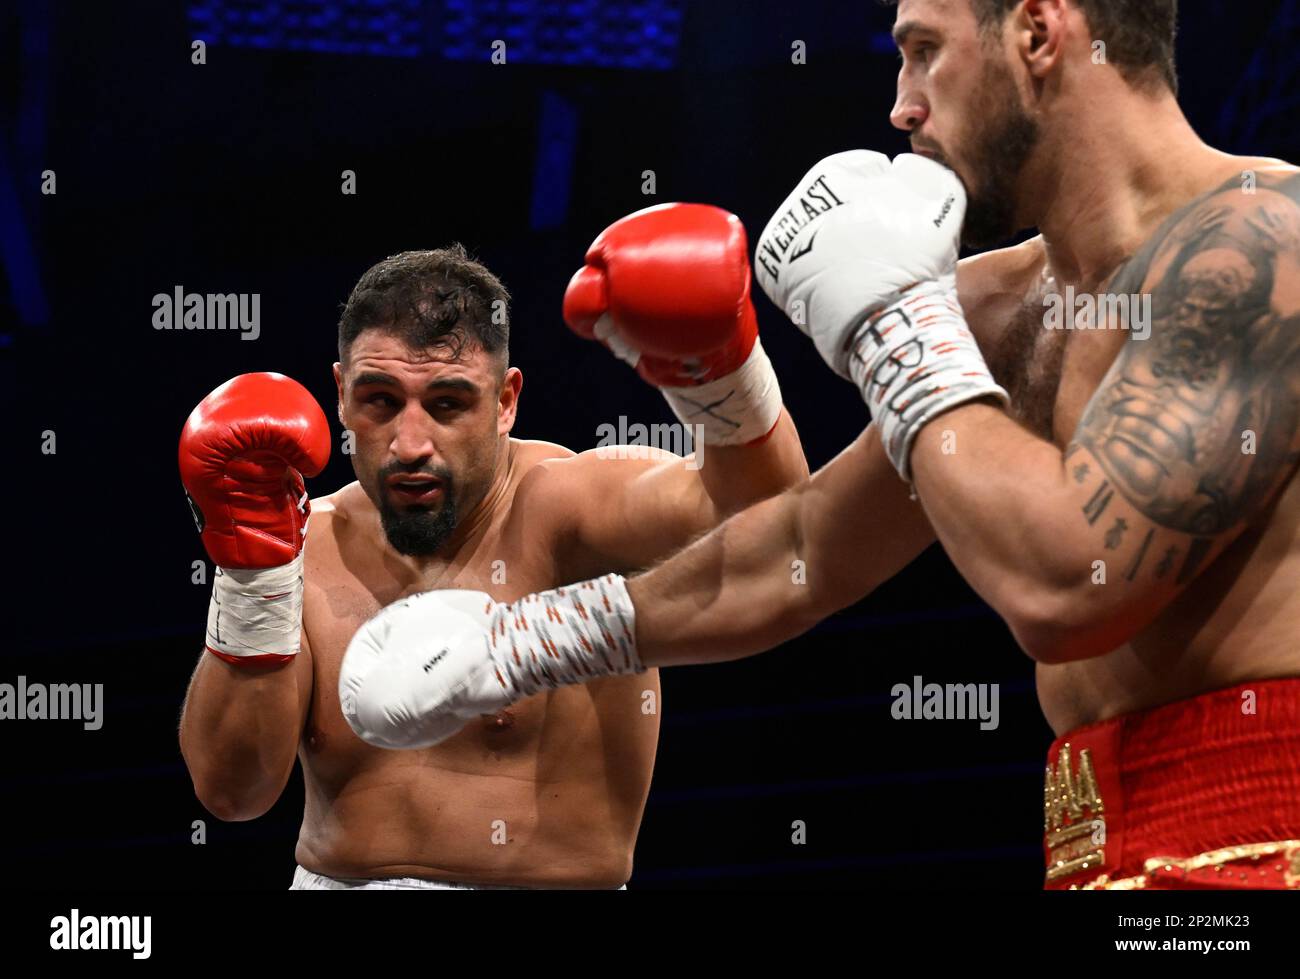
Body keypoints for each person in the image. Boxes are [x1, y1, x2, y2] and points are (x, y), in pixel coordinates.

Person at [344, 0, 1300, 889]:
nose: (901, 106)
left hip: (1267, 825)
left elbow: (1070, 581)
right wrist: (514, 644)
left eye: (924, 51)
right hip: (1094, 838)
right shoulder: (1000, 309)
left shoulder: (1260, 249)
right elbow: (802, 551)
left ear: (1041, 33)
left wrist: (898, 325)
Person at [177, 204, 809, 889]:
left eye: (448, 403)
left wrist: (722, 370)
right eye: (380, 400)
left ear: (507, 401)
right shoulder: (304, 538)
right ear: (339, 391)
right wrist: (252, 575)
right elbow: (232, 792)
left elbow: (775, 518)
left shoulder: (570, 511)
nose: (410, 444)